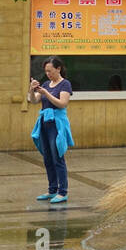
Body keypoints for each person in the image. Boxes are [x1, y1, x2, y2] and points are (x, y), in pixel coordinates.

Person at [29, 57, 73, 204]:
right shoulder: (47, 84)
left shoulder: (65, 84)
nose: (47, 74)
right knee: (47, 158)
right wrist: (32, 89)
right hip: (44, 123)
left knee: (57, 157)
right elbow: (34, 100)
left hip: (56, 124)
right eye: (46, 71)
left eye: (50, 70)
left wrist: (46, 93)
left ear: (58, 68)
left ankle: (63, 191)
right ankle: (52, 189)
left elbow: (62, 104)